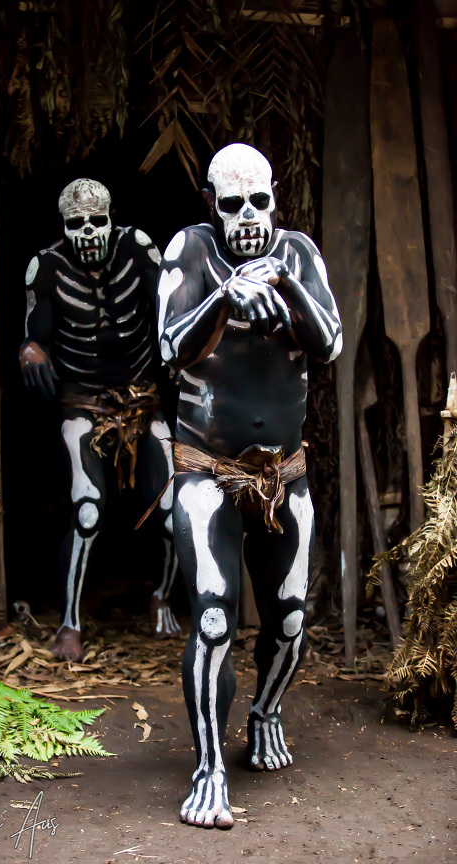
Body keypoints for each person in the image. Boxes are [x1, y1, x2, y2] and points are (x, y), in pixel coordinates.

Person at [157, 143, 342, 828]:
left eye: (259, 202)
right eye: (232, 205)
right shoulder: (189, 251)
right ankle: (209, 767)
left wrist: (282, 282)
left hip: (283, 476)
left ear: (275, 198)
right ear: (211, 204)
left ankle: (265, 711)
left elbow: (330, 343)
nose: (248, 218)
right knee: (213, 617)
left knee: (290, 620)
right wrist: (223, 295)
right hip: (206, 471)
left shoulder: (299, 254)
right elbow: (169, 348)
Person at [20, 178, 180, 661]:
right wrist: (30, 350)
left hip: (142, 399)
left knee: (173, 507)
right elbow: (34, 334)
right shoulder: (46, 267)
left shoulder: (138, 249)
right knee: (88, 509)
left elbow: (171, 311)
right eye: (76, 224)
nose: (88, 232)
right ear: (63, 227)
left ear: (111, 220)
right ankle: (70, 621)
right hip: (84, 404)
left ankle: (163, 595)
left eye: (97, 221)